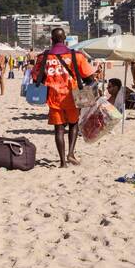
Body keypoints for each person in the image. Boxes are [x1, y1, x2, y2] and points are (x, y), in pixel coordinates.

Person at [31, 27, 95, 167]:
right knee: (73, 124)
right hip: (72, 97)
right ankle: (71, 153)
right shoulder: (76, 56)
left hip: (53, 97)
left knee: (59, 129)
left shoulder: (44, 57)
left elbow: (36, 78)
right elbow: (90, 78)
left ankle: (62, 162)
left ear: (51, 40)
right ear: (64, 39)